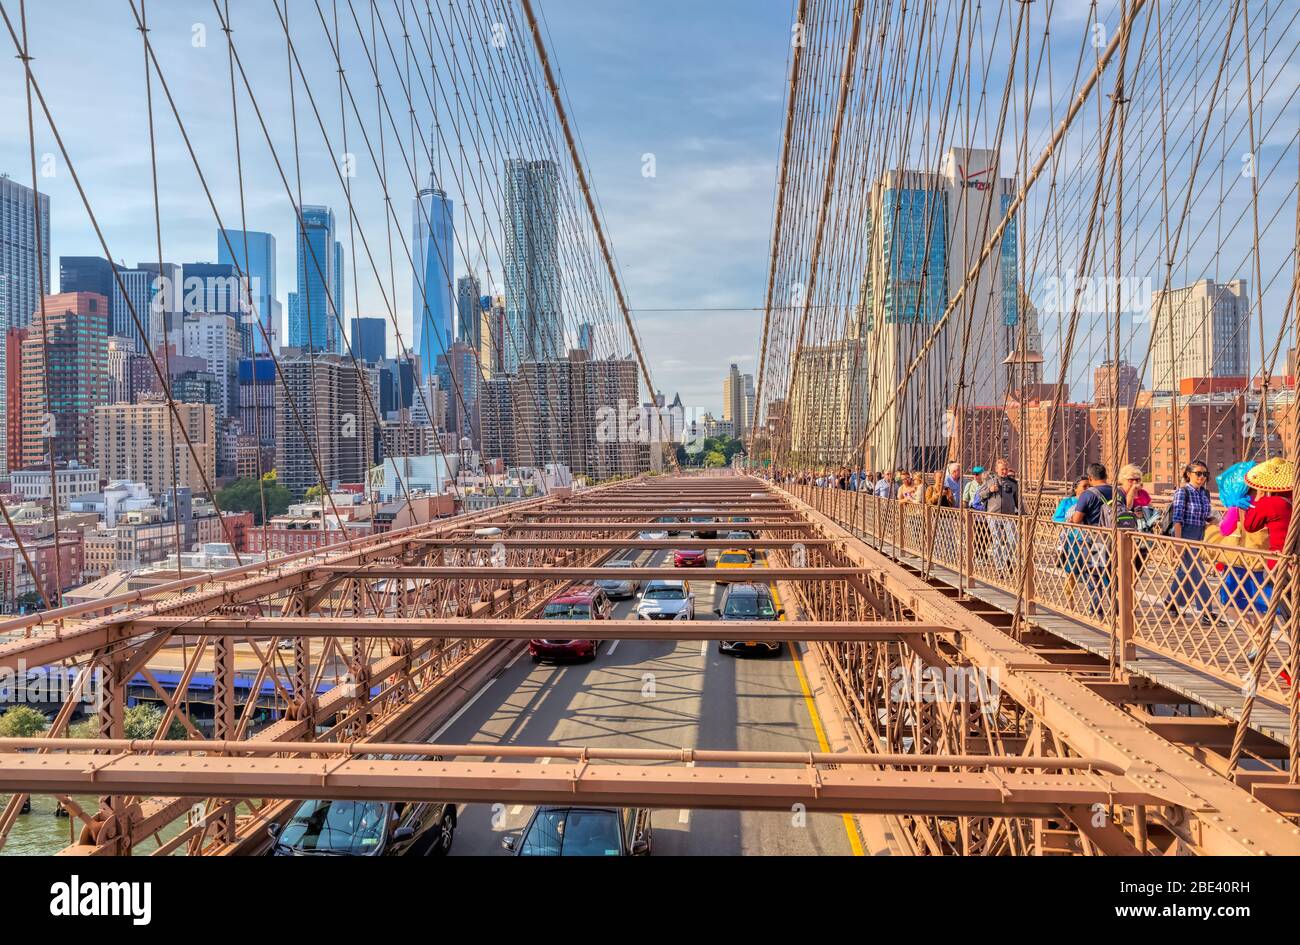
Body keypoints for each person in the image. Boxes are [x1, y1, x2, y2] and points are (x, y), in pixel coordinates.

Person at [1167, 461, 1220, 625]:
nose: (1202, 477)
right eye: (1198, 473)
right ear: (1188, 474)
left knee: (1186, 571)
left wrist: (1214, 521)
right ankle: (1206, 611)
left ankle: (1172, 603)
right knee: (1197, 571)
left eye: (1205, 474)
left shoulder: (1204, 493)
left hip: (1199, 533)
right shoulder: (1182, 492)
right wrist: (1178, 542)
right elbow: (1177, 519)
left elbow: (1204, 515)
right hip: (1185, 533)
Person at [1070, 463, 1119, 617]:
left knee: (1095, 574)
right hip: (1118, 539)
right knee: (1114, 574)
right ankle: (1117, 607)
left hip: (1098, 540)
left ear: (1090, 478)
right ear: (1106, 476)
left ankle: (1096, 608)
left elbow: (1077, 519)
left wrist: (1070, 519)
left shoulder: (1088, 494)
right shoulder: (1117, 491)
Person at [977, 458, 1021, 574]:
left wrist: (1023, 514)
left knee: (1012, 540)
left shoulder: (1013, 483)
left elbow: (1018, 501)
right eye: (1002, 469)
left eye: (1006, 469)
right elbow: (980, 495)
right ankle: (1000, 567)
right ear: (997, 470)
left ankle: (1008, 559)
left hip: (1009, 516)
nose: (1004, 472)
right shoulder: (990, 482)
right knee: (997, 541)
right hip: (993, 515)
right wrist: (990, 491)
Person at [1053, 477, 1090, 604]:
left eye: (1089, 486)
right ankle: (1070, 599)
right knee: (1071, 572)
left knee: (1093, 572)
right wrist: (1066, 522)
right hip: (1072, 539)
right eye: (1084, 486)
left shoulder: (1092, 500)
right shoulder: (1067, 502)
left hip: (1090, 539)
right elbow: (1056, 518)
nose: (1087, 489)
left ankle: (1094, 604)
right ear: (1076, 488)